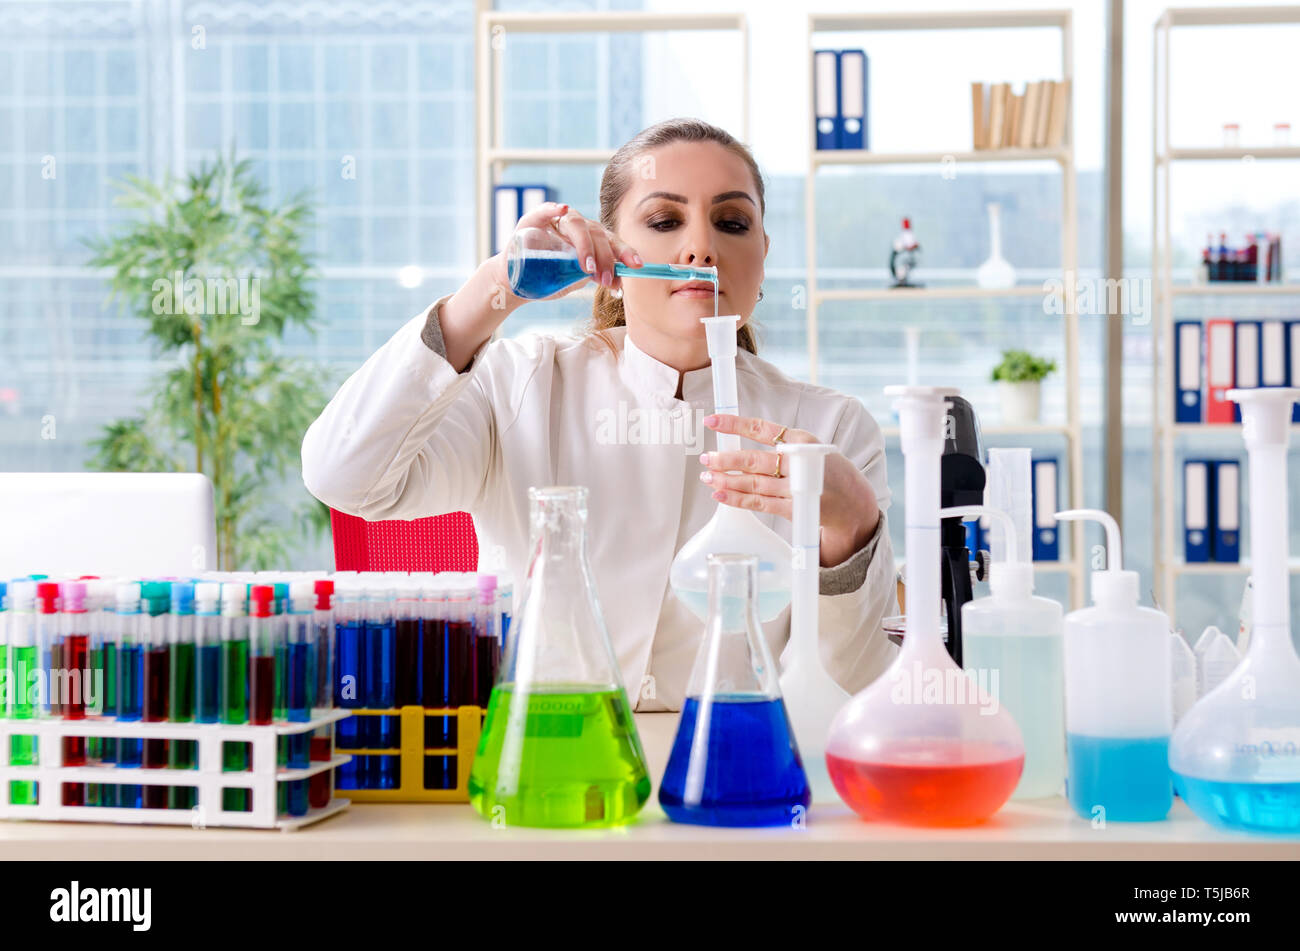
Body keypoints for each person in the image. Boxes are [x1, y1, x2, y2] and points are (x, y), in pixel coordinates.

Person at [302, 117, 898, 711]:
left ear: (762, 258)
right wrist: (494, 289)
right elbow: (343, 476)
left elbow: (850, 691)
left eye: (732, 222)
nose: (701, 248)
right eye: (664, 221)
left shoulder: (832, 430)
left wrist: (851, 532)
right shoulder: (519, 387)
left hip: (730, 777)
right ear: (610, 261)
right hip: (548, 769)